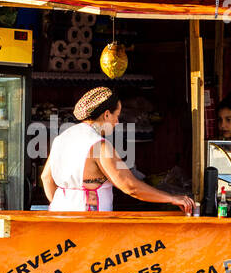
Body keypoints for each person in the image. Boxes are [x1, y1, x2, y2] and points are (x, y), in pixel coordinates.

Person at [42, 86, 195, 214]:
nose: (117, 122)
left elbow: (46, 178)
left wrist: (62, 205)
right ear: (106, 114)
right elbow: (130, 186)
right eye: (117, 116)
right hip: (88, 224)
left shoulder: (61, 139)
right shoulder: (99, 145)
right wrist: (172, 198)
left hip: (59, 216)